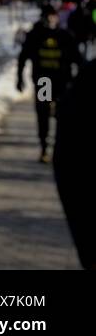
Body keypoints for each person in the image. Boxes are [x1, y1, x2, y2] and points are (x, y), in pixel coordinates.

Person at [17, 4, 82, 161]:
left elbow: (78, 59)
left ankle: (61, 149)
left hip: (62, 82)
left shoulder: (65, 35)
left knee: (64, 117)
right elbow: (23, 57)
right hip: (44, 82)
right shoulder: (35, 34)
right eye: (48, 16)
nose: (50, 19)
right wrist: (19, 78)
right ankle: (44, 147)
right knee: (43, 114)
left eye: (53, 16)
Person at [54, 59, 96, 269]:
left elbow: (74, 54)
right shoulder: (89, 78)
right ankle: (42, 143)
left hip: (62, 81)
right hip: (46, 80)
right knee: (44, 108)